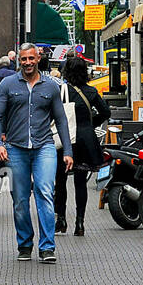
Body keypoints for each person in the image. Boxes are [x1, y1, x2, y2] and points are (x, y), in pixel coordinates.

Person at [0, 43, 72, 263]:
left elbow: (61, 120)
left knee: (46, 193)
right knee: (19, 199)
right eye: (23, 59)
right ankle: (25, 243)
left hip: (44, 146)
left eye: (31, 59)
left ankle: (47, 247)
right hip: (15, 148)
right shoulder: (7, 84)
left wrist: (68, 150)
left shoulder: (51, 87)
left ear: (38, 59)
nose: (27, 63)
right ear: (19, 60)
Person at [54, 54, 110, 237]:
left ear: (67, 72)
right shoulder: (91, 92)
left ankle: (61, 219)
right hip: (85, 140)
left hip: (65, 139)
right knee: (80, 182)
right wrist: (90, 124)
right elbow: (106, 112)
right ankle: (80, 222)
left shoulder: (62, 91)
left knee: (60, 181)